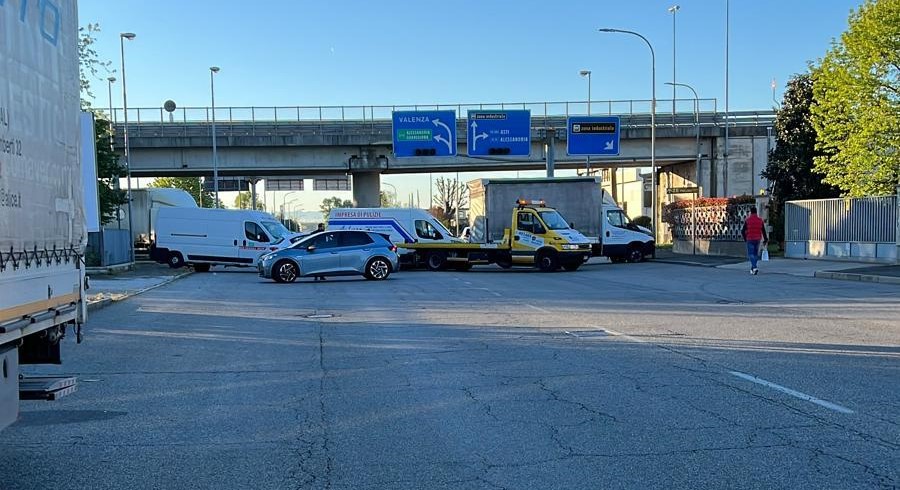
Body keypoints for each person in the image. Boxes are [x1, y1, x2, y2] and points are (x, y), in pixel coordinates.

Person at [742, 206, 768, 275]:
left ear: (751, 212)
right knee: (755, 254)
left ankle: (754, 267)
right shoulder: (760, 220)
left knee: (751, 254)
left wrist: (745, 239)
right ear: (756, 212)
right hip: (757, 239)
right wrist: (765, 239)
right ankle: (753, 268)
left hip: (750, 239)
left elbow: (743, 231)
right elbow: (763, 230)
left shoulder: (747, 220)